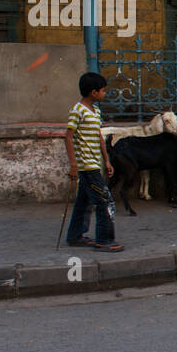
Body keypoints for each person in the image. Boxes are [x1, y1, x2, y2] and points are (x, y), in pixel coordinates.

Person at [64, 72, 123, 252]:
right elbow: (68, 137)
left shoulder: (96, 111)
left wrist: (106, 160)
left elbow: (99, 137)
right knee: (104, 201)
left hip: (95, 163)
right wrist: (73, 164)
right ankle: (104, 240)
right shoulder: (77, 110)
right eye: (103, 90)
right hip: (86, 166)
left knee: (84, 201)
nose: (105, 93)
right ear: (93, 92)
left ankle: (75, 235)